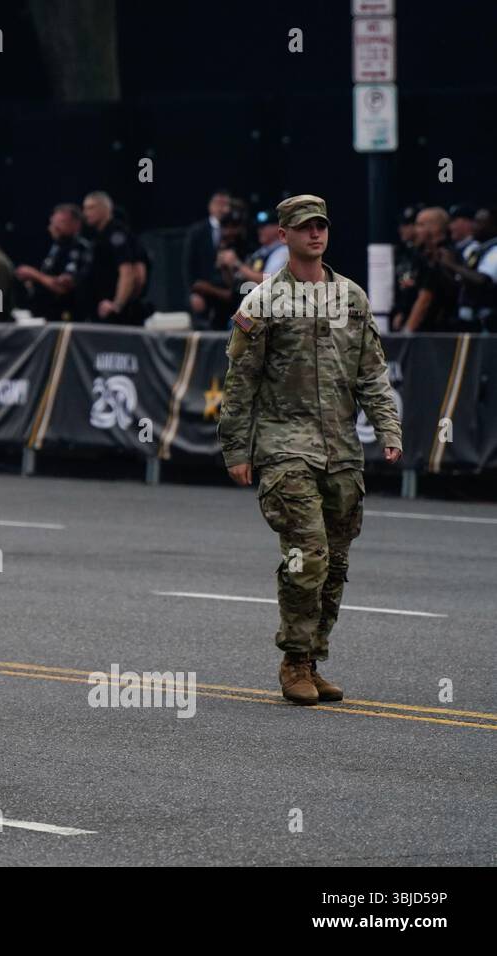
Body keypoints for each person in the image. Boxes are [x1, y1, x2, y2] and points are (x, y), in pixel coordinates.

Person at [218, 195, 402, 706]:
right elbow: (241, 381)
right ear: (284, 236)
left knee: (336, 563)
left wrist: (389, 429)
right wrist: (237, 446)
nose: (314, 235)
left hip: (341, 450)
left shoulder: (351, 298)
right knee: (308, 555)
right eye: (304, 228)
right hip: (284, 445)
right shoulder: (262, 303)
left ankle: (314, 658)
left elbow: (371, 373)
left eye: (321, 226)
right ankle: (294, 660)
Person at [14, 203, 92, 321]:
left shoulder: (80, 248)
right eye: (53, 222)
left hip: (67, 317)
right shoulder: (55, 246)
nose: (54, 227)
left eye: (60, 222)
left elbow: (62, 288)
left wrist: (34, 274)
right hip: (45, 314)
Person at [82, 191, 140, 323]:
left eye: (91, 208)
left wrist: (117, 304)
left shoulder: (116, 234)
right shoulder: (99, 236)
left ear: (105, 209)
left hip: (111, 313)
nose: (85, 213)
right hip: (98, 310)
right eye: (85, 208)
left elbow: (127, 271)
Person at [437, 207, 497, 333]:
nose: (474, 226)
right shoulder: (478, 250)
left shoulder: (495, 249)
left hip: (488, 320)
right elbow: (460, 283)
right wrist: (443, 264)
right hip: (470, 320)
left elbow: (483, 280)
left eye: (480, 222)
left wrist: (452, 264)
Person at [398, 207, 457, 333]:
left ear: (435, 228)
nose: (415, 230)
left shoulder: (443, 256)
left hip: (437, 332)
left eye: (420, 225)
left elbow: (425, 299)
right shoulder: (422, 255)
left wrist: (407, 331)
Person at [183, 189, 233, 321]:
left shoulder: (237, 231)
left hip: (230, 293)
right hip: (204, 291)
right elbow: (188, 266)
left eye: (225, 204)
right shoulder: (197, 232)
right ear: (210, 206)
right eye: (218, 204)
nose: (222, 209)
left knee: (239, 326)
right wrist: (193, 293)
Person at [235, 208, 289, 285]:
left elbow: (269, 280)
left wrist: (237, 264)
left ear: (277, 228)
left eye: (264, 227)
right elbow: (240, 278)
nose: (260, 231)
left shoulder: (283, 251)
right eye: (259, 227)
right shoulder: (261, 251)